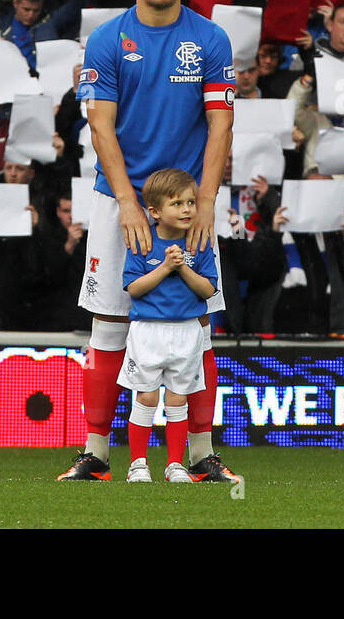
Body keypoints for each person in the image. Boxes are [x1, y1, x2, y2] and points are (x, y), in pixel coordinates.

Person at [58, 0, 237, 484]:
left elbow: (221, 122)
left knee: (198, 325)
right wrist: (131, 204)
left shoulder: (210, 38)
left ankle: (202, 456)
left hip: (188, 206)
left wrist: (205, 201)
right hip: (120, 203)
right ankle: (97, 455)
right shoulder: (108, 39)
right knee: (110, 325)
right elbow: (100, 126)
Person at [119, 168, 219, 484]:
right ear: (155, 211)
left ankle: (175, 464)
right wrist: (165, 267)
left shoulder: (200, 244)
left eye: (191, 202)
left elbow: (209, 290)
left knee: (178, 398)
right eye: (177, 204)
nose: (187, 209)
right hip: (147, 331)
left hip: (187, 330)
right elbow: (133, 288)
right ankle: (138, 464)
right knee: (146, 397)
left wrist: (183, 269)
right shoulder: (142, 242)